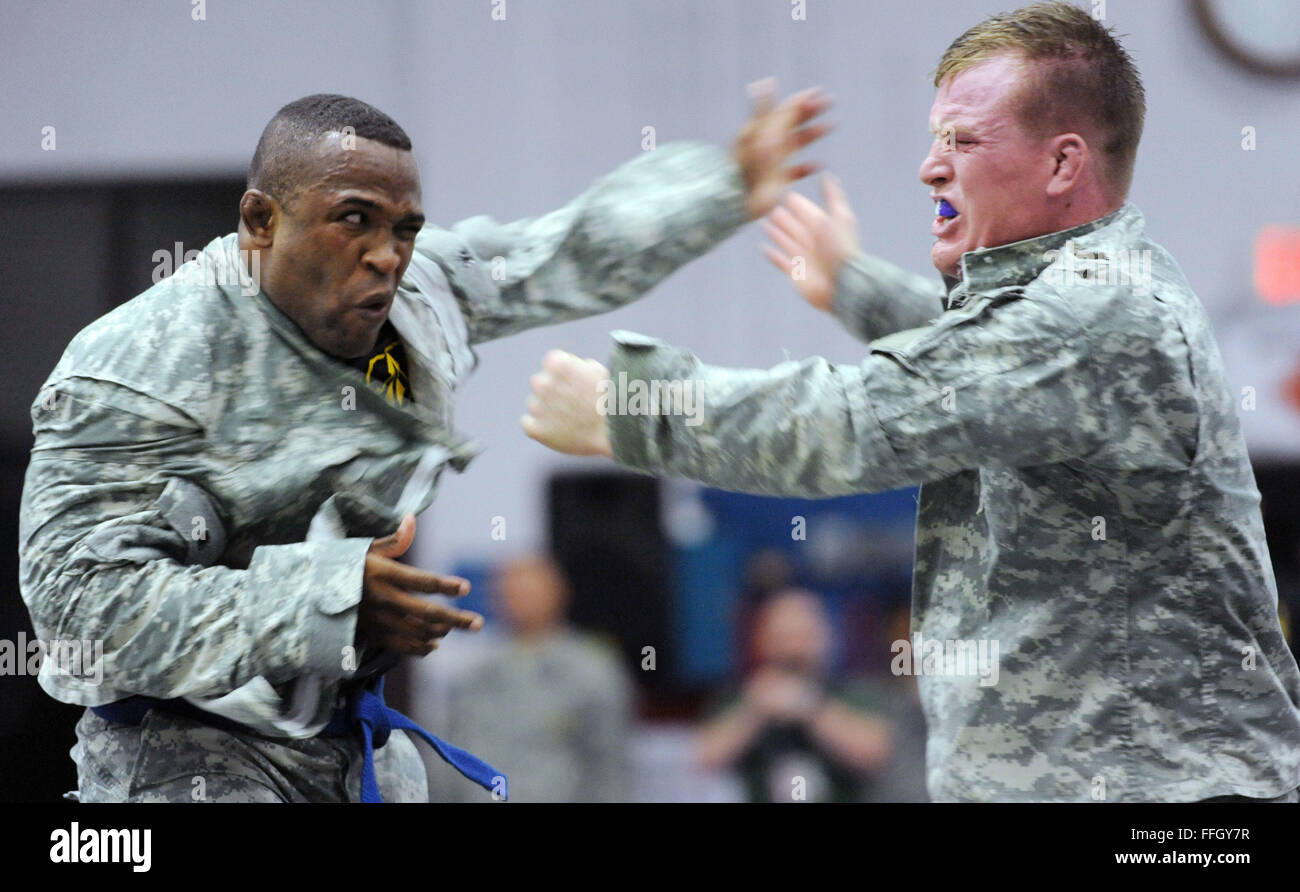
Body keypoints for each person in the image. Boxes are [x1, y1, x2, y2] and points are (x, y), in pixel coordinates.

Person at [520, 2, 1300, 802]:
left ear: (1063, 165)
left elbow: (865, 419)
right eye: (936, 138)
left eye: (962, 141)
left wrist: (635, 407)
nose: (930, 166)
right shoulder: (1081, 298)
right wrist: (855, 288)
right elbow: (988, 369)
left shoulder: (1097, 310)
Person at [18, 87, 831, 802]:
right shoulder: (135, 365)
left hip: (346, 743)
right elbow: (76, 609)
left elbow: (555, 252)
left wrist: (719, 188)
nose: (385, 253)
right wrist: (323, 598)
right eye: (353, 221)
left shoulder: (412, 301)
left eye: (405, 228)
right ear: (261, 221)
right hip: (180, 752)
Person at [430, 556, 631, 802]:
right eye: (511, 592)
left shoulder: (592, 671)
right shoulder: (472, 676)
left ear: (559, 593)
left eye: (530, 592)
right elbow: (446, 756)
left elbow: (611, 764)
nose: (521, 601)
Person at [696, 589, 893, 803]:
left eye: (804, 636)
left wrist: (811, 708)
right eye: (783, 637)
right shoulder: (742, 695)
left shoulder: (852, 692)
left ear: (825, 637)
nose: (794, 648)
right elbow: (705, 757)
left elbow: (876, 754)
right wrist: (754, 711)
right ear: (762, 640)